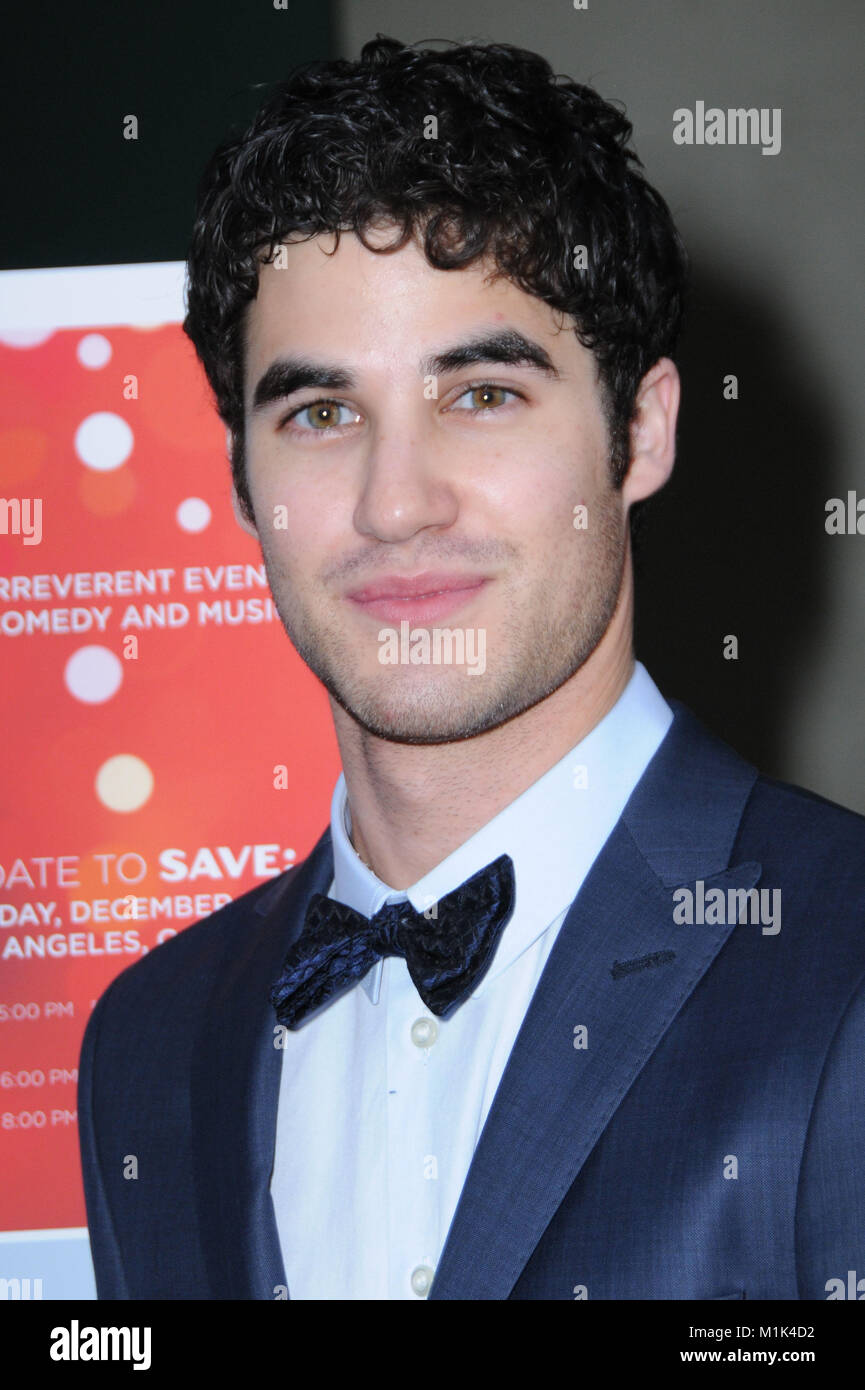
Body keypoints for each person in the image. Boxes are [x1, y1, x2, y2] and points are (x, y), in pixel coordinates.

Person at [78, 35, 865, 1301]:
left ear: (641, 430)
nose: (395, 504)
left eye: (482, 394)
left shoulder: (842, 969)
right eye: (321, 414)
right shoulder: (147, 1044)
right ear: (240, 478)